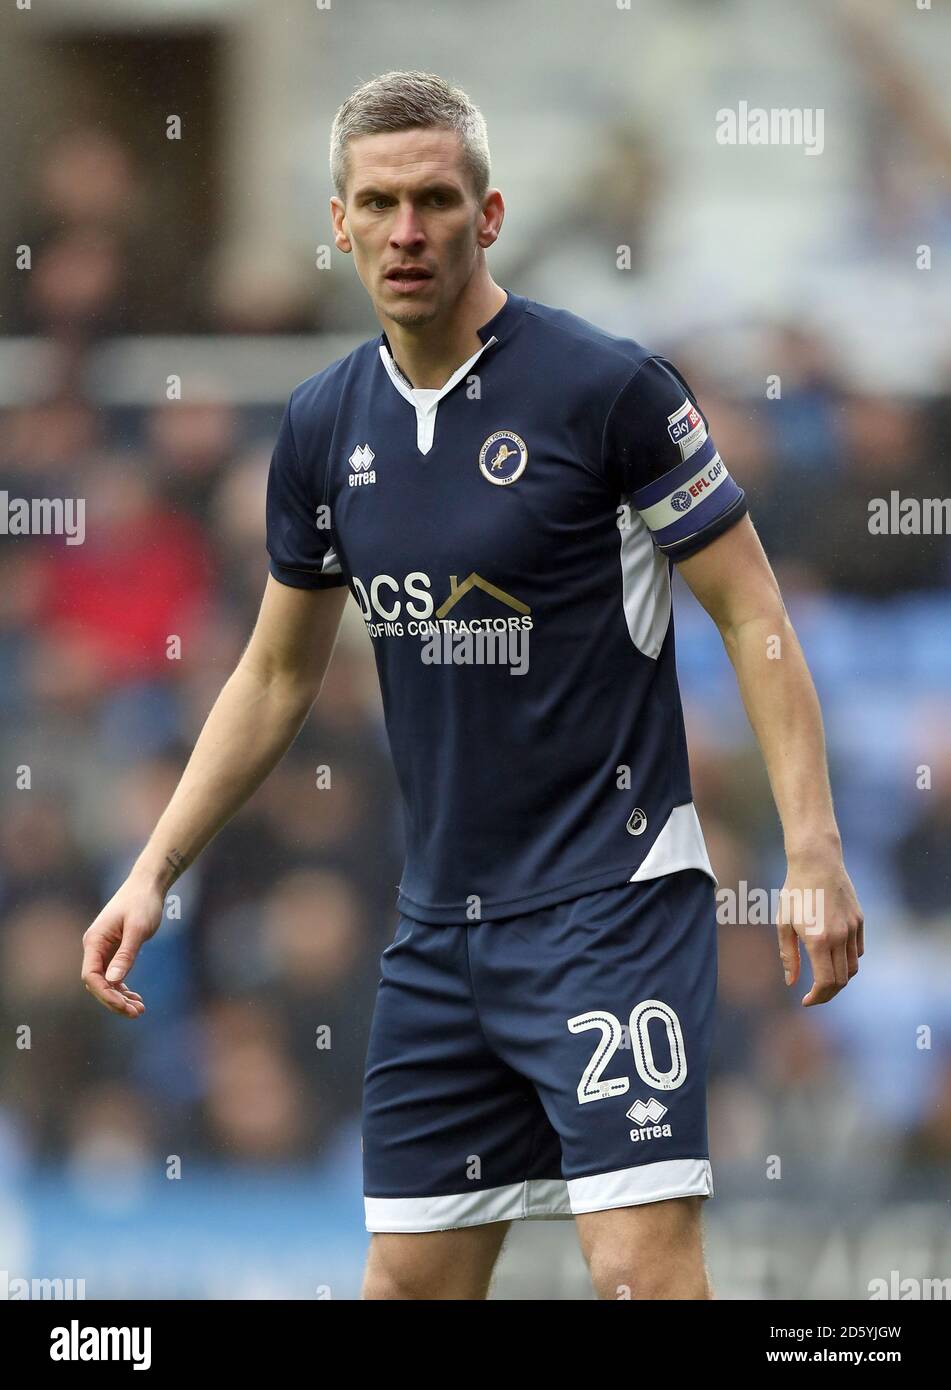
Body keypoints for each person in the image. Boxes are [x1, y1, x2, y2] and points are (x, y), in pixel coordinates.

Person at [82, 70, 865, 1301]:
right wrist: (153, 866)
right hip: (442, 928)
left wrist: (811, 851)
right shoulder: (320, 426)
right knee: (406, 1287)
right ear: (337, 224)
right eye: (379, 204)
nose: (408, 232)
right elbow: (276, 671)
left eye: (436, 200)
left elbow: (754, 612)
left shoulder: (609, 393)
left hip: (612, 902)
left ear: (487, 215)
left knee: (639, 1278)